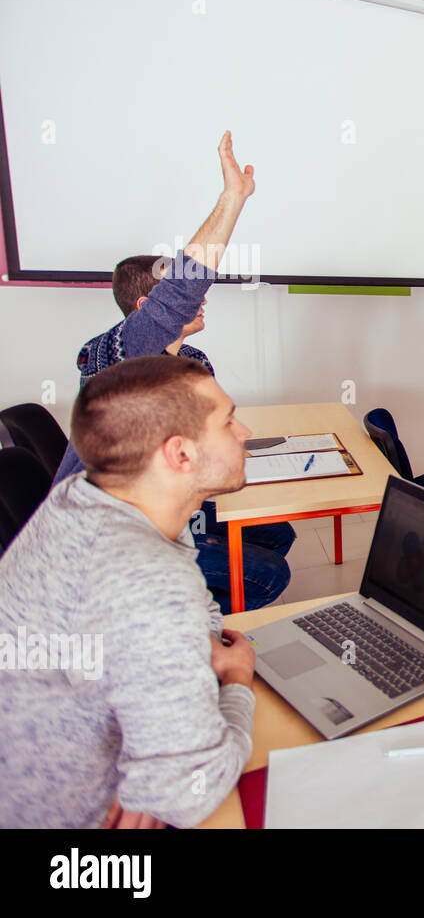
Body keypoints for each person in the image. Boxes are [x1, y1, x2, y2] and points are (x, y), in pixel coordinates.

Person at [0, 355, 257, 828]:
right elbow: (186, 791)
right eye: (228, 421)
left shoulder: (86, 498)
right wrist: (239, 680)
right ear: (181, 454)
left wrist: (191, 651)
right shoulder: (143, 574)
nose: (244, 433)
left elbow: (199, 614)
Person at [51, 131, 294, 614]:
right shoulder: (110, 356)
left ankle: (186, 613)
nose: (200, 296)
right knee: (266, 574)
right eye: (173, 294)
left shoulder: (192, 364)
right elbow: (180, 293)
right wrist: (231, 201)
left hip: (172, 508)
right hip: (107, 546)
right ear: (147, 308)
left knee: (276, 531)